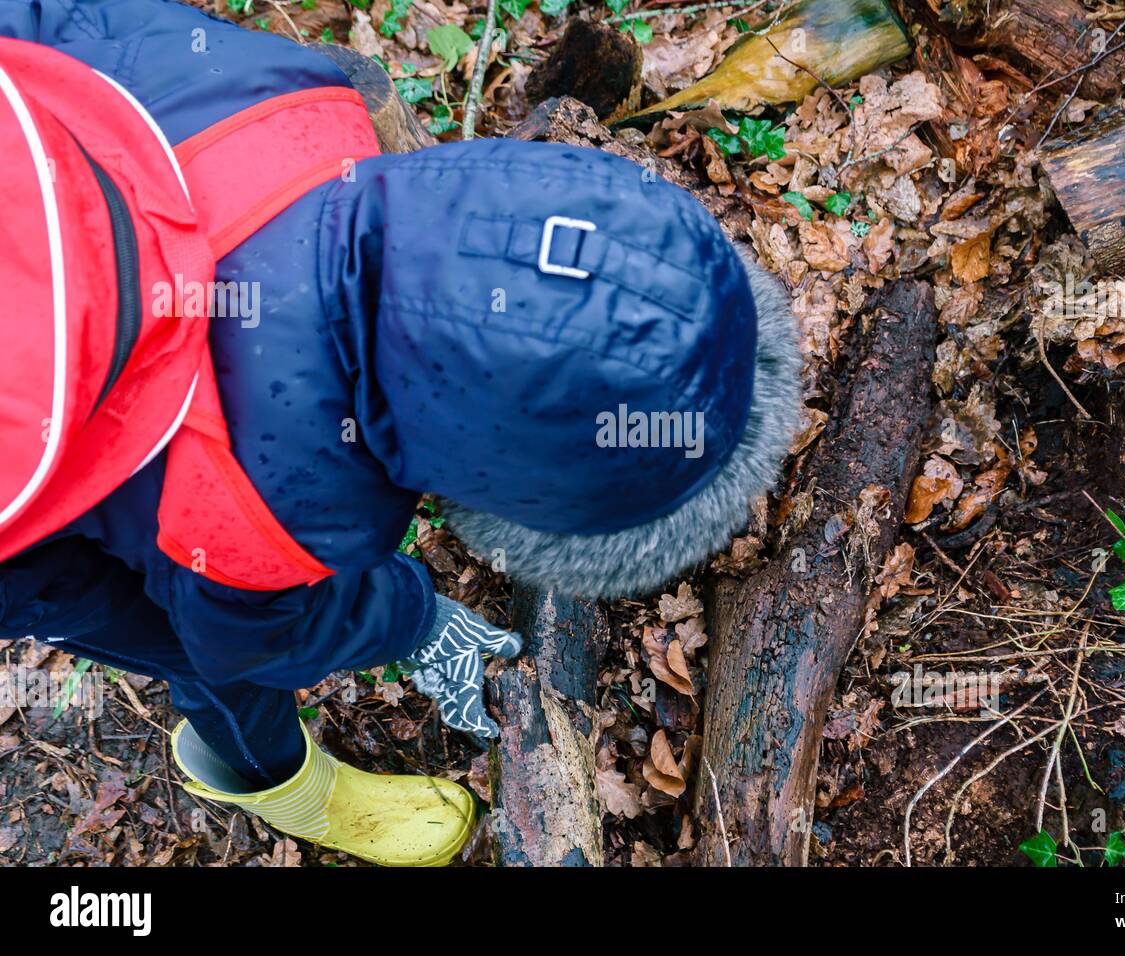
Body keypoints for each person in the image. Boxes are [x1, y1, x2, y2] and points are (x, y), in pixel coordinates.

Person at [0, 0, 799, 865]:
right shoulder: (269, 515)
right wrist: (411, 619)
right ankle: (266, 778)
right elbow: (245, 637)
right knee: (176, 642)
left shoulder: (293, 93)